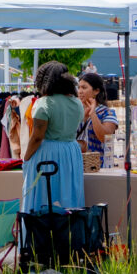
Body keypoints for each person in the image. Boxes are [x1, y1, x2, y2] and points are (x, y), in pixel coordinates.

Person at [22, 61, 85, 213]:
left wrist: (26, 157)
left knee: (44, 197)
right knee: (69, 196)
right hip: (71, 151)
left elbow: (37, 136)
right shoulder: (77, 103)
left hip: (48, 153)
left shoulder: (43, 104)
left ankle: (40, 233)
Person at [76, 70, 117, 167]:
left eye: (84, 87)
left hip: (99, 167)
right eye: (79, 88)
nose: (80, 91)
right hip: (77, 165)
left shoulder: (107, 112)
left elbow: (105, 137)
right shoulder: (75, 111)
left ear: (96, 91)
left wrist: (92, 114)